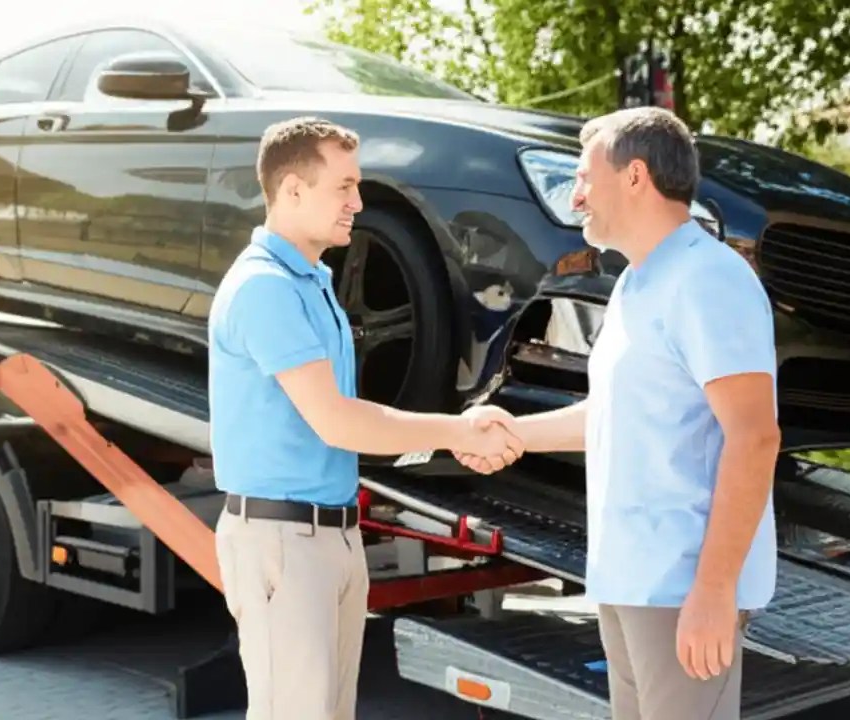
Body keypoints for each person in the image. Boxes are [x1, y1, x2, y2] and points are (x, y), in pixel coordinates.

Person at [458, 106, 781, 720]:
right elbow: (612, 416)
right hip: (628, 581)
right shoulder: (638, 282)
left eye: (583, 177)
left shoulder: (708, 279)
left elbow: (756, 437)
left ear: (635, 176)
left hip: (682, 587)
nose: (575, 196)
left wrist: (713, 592)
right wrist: (509, 432)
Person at [207, 116, 524, 720]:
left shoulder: (313, 281)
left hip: (329, 536)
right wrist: (456, 430)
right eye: (344, 186)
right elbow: (339, 422)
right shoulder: (265, 288)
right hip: (285, 543)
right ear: (294, 190)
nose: (358, 201)